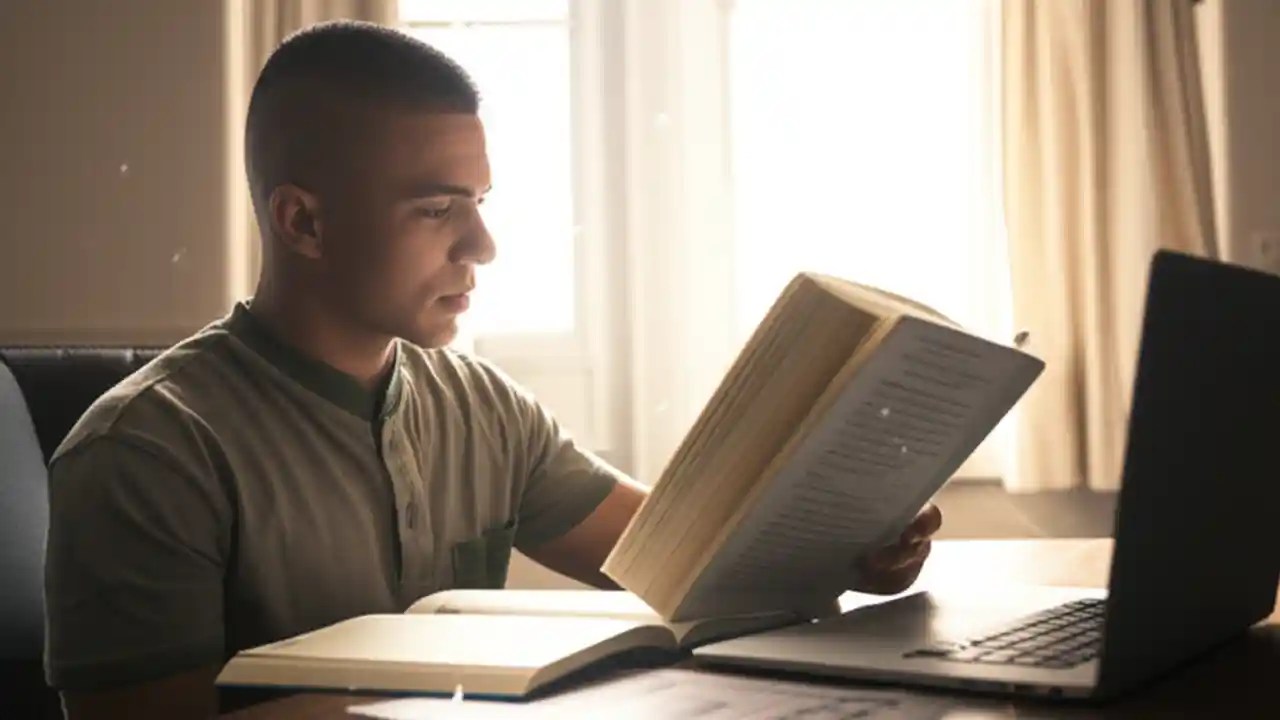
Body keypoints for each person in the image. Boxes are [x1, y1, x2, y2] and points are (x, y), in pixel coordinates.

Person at [43, 21, 943, 719]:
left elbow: (678, 563)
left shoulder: (482, 407)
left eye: (478, 203)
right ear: (303, 223)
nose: (483, 245)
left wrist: (850, 549)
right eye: (437, 209)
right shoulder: (149, 451)